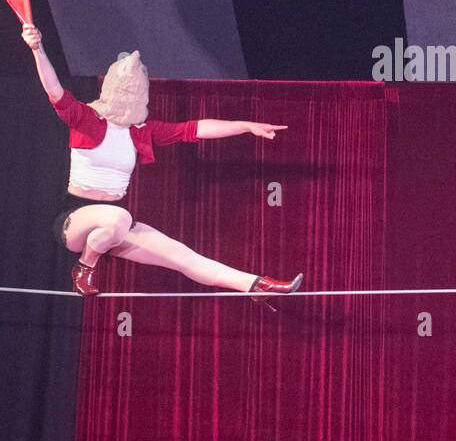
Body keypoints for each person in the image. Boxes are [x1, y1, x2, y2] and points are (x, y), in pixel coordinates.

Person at [21, 22, 302, 302]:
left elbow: (196, 128)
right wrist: (38, 49)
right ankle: (85, 266)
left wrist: (245, 125)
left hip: (114, 224)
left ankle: (256, 286)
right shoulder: (86, 119)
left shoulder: (142, 132)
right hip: (76, 218)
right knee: (119, 218)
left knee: (183, 256)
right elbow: (54, 90)